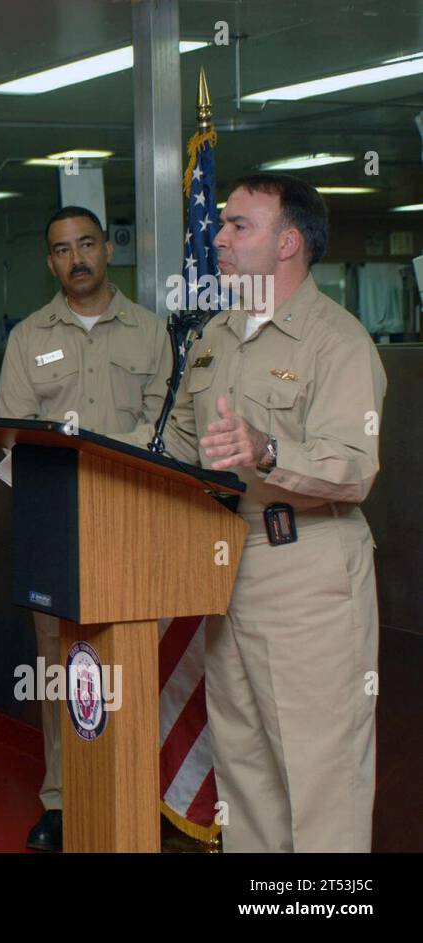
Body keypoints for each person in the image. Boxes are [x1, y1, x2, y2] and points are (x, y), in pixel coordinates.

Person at [120, 174, 385, 852]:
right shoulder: (216, 333)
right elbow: (179, 443)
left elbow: (355, 466)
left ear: (289, 242)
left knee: (320, 774)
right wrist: (83, 454)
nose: (220, 237)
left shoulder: (338, 341)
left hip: (308, 576)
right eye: (224, 224)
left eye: (240, 226)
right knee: (243, 770)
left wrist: (267, 451)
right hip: (224, 566)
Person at [0, 205, 171, 852]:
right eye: (63, 249)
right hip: (59, 533)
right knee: (61, 670)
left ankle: (139, 796)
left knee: (133, 668)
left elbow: (164, 432)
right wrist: (74, 467)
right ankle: (63, 801)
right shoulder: (27, 337)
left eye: (87, 244)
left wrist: (97, 453)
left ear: (107, 249)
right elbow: (14, 434)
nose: (77, 258)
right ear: (51, 261)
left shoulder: (152, 334)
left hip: (133, 530)